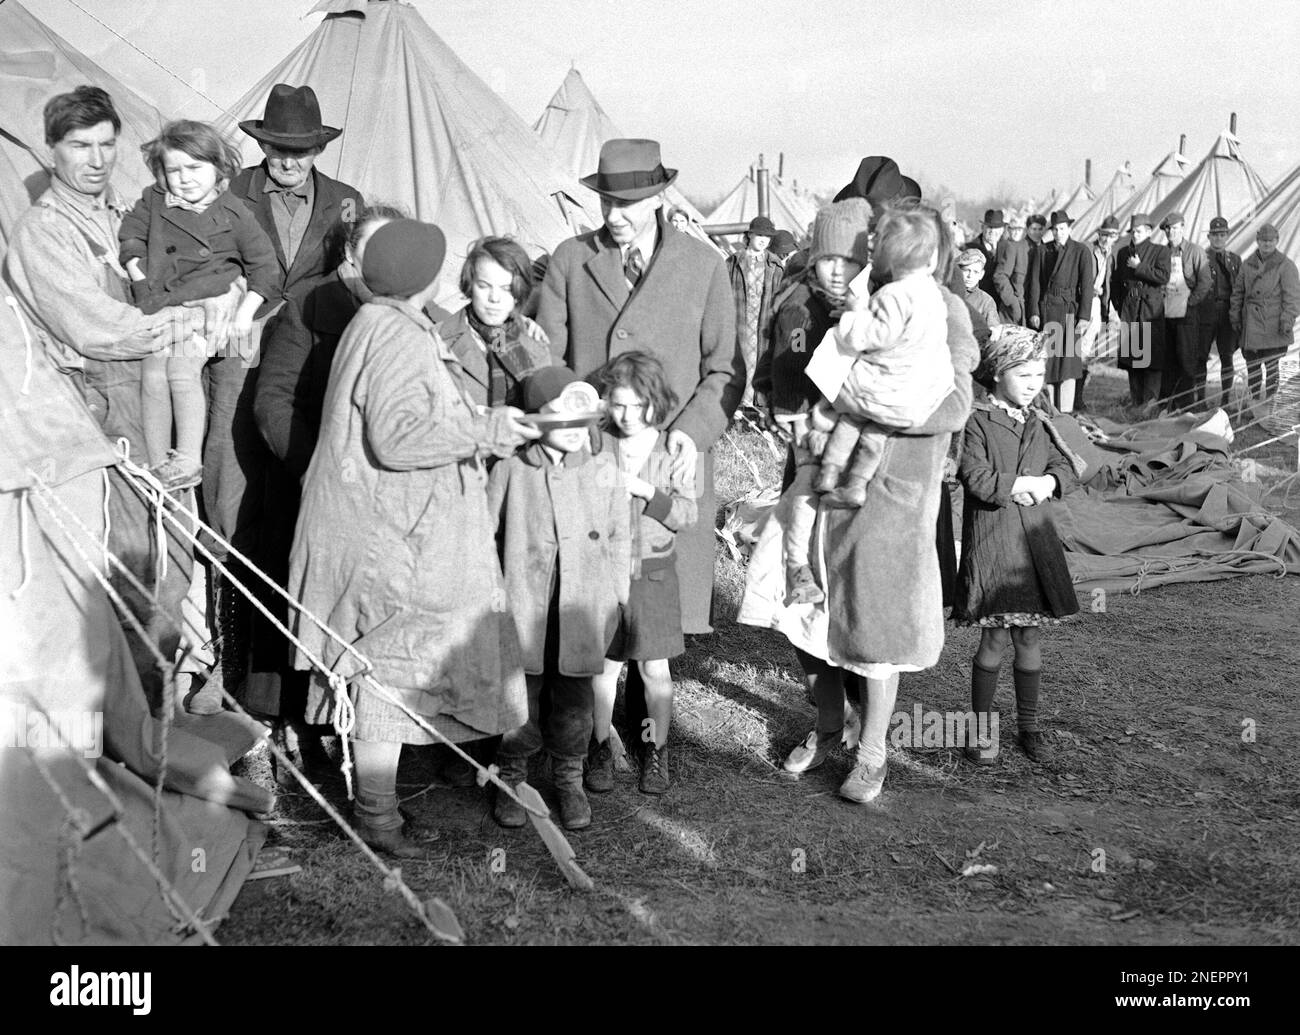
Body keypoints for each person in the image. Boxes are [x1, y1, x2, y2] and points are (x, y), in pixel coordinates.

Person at [287, 220, 537, 857]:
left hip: (387, 528)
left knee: (387, 670)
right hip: (388, 542)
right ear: (426, 277)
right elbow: (398, 439)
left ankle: (381, 811)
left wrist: (482, 421)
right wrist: (485, 431)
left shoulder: (377, 320)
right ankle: (377, 820)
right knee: (385, 675)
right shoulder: (397, 333)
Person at [745, 198, 979, 805]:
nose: (853, 264)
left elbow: (955, 405)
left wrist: (867, 400)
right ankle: (829, 725)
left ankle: (873, 751)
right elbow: (782, 377)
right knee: (800, 609)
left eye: (862, 253)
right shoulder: (832, 305)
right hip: (819, 478)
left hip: (891, 490)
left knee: (876, 623)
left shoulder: (940, 308)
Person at [4, 85, 215, 707]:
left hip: (165, 393)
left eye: (105, 145)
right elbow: (92, 327)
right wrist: (185, 321)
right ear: (51, 151)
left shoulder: (130, 216)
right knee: (132, 568)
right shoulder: (43, 233)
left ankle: (163, 715)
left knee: (176, 560)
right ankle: (128, 730)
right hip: (104, 407)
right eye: (79, 146)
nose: (95, 160)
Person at [537, 138, 742, 756]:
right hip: (592, 457)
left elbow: (726, 369)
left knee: (653, 610)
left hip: (666, 461)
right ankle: (587, 734)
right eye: (607, 201)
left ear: (658, 198)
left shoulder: (702, 266)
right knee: (587, 600)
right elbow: (546, 357)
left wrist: (691, 430)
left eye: (630, 203)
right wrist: (567, 415)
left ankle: (647, 731)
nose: (615, 214)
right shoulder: (570, 260)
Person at [213, 84, 366, 725]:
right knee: (237, 521)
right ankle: (229, 675)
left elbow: (347, 282)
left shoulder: (345, 204)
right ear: (263, 144)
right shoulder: (228, 195)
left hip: (305, 372)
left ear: (317, 149)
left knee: (302, 522)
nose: (290, 160)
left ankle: (309, 700)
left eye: (302, 150)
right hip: (236, 367)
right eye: (280, 147)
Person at [488, 368, 630, 831]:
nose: (573, 431)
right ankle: (512, 778)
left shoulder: (603, 466)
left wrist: (615, 596)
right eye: (560, 419)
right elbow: (485, 532)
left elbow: (619, 532)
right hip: (524, 604)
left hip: (582, 606)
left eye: (581, 420)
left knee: (574, 702)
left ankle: (569, 779)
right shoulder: (512, 467)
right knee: (519, 696)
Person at [118, 120, 280, 490]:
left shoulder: (233, 212)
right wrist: (136, 268)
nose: (184, 178)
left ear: (218, 168)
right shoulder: (154, 200)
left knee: (181, 372)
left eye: (195, 168)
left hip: (208, 309)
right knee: (153, 376)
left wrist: (244, 312)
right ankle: (159, 464)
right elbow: (131, 233)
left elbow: (264, 266)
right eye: (174, 170)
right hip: (162, 304)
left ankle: (188, 460)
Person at [953, 328, 1083, 765]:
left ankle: (1029, 727)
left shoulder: (1039, 419)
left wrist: (1049, 481)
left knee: (1028, 635)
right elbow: (974, 476)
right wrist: (1018, 484)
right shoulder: (976, 421)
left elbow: (1065, 464)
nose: (1034, 382)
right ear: (995, 374)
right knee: (993, 639)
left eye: (1040, 374)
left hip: (1034, 548)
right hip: (996, 543)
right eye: (1023, 374)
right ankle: (980, 730)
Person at [587, 352, 698, 796]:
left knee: (655, 670)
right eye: (618, 404)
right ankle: (598, 747)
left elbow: (687, 514)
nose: (628, 416)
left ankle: (656, 750)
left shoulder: (674, 448)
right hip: (605, 572)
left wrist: (648, 491)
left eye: (638, 406)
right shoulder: (596, 442)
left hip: (653, 576)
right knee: (603, 669)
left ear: (657, 401)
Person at [437, 237, 556, 410]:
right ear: (470, 285)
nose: (494, 298)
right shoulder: (437, 341)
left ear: (519, 292)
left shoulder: (533, 339)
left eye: (506, 288)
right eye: (484, 286)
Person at [1026, 210, 1094, 412]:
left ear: (1069, 229)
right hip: (1048, 310)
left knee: (1068, 366)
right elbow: (1035, 283)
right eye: (1055, 229)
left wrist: (1083, 316)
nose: (1058, 233)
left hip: (1070, 313)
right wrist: (1034, 311)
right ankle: (1050, 411)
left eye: (1062, 229)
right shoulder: (1042, 251)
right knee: (1048, 364)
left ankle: (1065, 412)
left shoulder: (1081, 251)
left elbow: (1087, 286)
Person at [1232, 223, 1300, 404]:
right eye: (1263, 240)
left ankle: (1271, 405)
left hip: (1274, 327)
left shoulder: (1286, 265)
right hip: (1252, 327)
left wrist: (1287, 320)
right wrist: (1235, 317)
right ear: (1257, 241)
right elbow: (1238, 293)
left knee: (1272, 369)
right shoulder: (1247, 264)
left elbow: (1292, 298)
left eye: (1270, 241)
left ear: (1277, 241)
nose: (1267, 244)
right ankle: (1253, 403)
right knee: (1253, 368)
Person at [727, 215, 785, 408]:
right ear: (749, 235)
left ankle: (758, 409)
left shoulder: (776, 266)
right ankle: (738, 409)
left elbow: (781, 298)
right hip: (740, 322)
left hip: (764, 324)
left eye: (767, 236)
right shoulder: (733, 262)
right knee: (739, 363)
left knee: (762, 363)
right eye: (759, 234)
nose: (763, 239)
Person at [1111, 214, 1170, 406]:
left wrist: (1140, 267)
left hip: (1150, 313)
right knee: (1132, 361)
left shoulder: (1160, 251)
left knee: (1151, 362)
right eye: (1132, 232)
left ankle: (1149, 405)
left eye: (1138, 231)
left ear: (1148, 231)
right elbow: (1117, 283)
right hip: (1130, 311)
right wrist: (1120, 307)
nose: (1135, 235)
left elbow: (1163, 277)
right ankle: (1136, 402)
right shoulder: (1122, 253)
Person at [1160, 210, 1213, 406]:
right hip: (1166, 314)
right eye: (1167, 229)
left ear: (1182, 227)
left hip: (1187, 314)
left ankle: (1186, 405)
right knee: (1169, 360)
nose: (1170, 232)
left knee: (1187, 360)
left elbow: (1205, 281)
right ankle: (1168, 404)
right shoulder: (1163, 253)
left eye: (1174, 228)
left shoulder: (1195, 251)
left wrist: (1190, 302)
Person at [1075, 215, 1120, 411]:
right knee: (1077, 350)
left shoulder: (1110, 255)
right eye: (1104, 235)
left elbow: (1108, 285)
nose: (1106, 239)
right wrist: (1091, 291)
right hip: (1083, 302)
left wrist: (1109, 313)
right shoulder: (1087, 250)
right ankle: (1073, 397)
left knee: (1087, 351)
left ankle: (1078, 396)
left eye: (1111, 236)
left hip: (1096, 304)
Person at [1202, 216, 1243, 409]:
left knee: (1227, 356)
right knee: (1201, 356)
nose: (1218, 238)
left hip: (1227, 312)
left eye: (1222, 235)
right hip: (1207, 311)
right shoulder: (1201, 257)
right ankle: (1200, 399)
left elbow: (1240, 288)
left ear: (1227, 236)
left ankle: (1225, 400)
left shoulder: (1234, 260)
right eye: (1215, 235)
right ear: (1209, 237)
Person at [993, 213, 1030, 325]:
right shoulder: (1010, 247)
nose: (1016, 232)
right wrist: (1012, 302)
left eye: (1019, 229)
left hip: (1027, 308)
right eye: (1013, 229)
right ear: (1008, 230)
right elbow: (999, 276)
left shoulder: (1028, 247)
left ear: (1024, 230)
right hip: (1013, 310)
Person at [956, 247, 1002, 336]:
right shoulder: (948, 293)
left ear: (981, 274)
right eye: (966, 270)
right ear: (958, 270)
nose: (970, 276)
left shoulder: (986, 301)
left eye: (975, 272)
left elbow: (993, 331)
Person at [963, 208, 1004, 298]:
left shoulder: (1008, 248)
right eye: (989, 227)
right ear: (982, 227)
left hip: (1003, 303)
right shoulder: (970, 248)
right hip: (979, 301)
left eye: (996, 228)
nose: (992, 231)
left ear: (1002, 230)